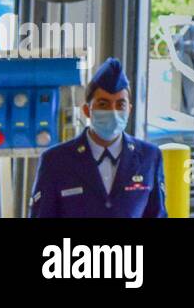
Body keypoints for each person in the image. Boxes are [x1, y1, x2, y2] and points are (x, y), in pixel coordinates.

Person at [30, 57, 166, 218]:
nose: (113, 112)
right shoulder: (56, 161)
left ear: (129, 110)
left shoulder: (149, 157)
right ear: (87, 110)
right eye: (103, 104)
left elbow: (157, 214)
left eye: (120, 105)